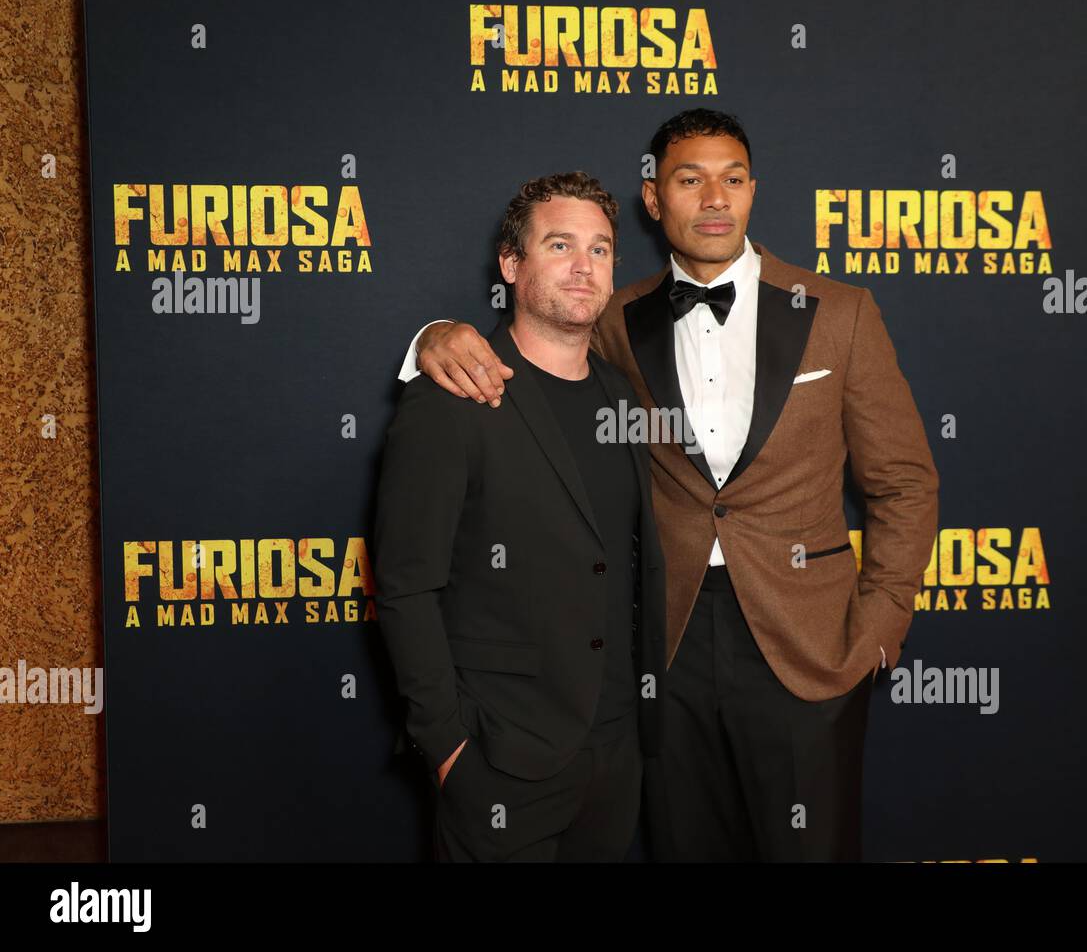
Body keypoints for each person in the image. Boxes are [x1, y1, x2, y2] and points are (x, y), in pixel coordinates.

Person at [399, 109, 939, 861]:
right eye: (691, 179)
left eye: (734, 178)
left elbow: (905, 482)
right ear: (655, 199)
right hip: (662, 652)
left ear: (754, 191)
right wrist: (430, 338)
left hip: (808, 648)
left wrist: (881, 627)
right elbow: (535, 337)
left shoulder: (838, 311)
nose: (715, 197)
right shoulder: (612, 313)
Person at [374, 171, 665, 861]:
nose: (582, 266)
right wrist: (447, 747)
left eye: (599, 249)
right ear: (512, 264)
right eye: (559, 244)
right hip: (501, 759)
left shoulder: (622, 393)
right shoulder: (452, 395)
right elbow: (408, 588)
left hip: (617, 751)